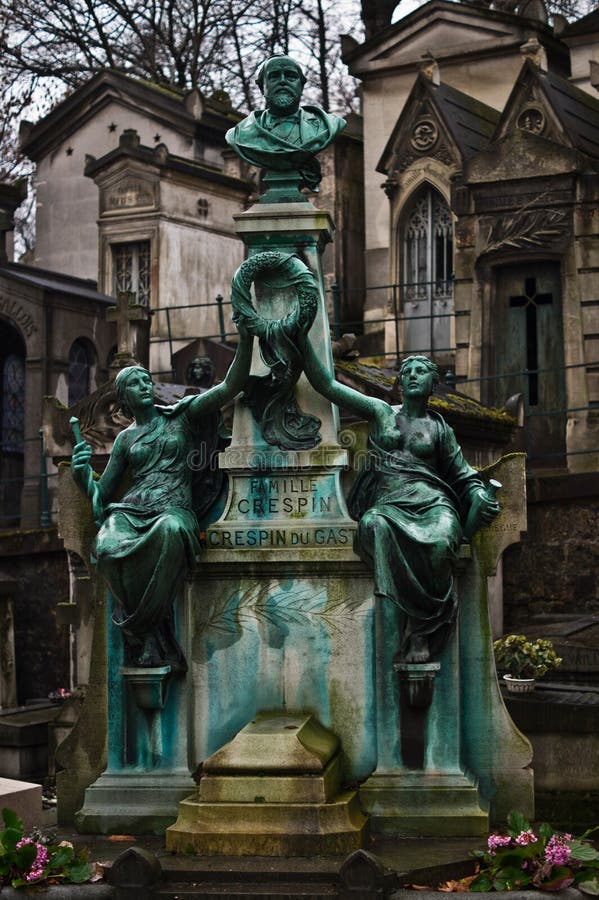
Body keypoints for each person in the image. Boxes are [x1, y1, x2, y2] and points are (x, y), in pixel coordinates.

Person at [297, 338, 500, 663]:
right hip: (388, 503)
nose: (415, 375)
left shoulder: (439, 428)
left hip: (433, 503)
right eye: (408, 371)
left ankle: (421, 628)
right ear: (400, 381)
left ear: (434, 383)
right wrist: (301, 337)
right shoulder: (381, 413)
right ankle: (398, 623)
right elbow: (326, 385)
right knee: (373, 525)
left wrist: (479, 498)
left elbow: (463, 476)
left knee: (440, 544)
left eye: (422, 371)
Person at [71, 324, 253, 671]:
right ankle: (151, 631)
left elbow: (231, 386)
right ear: (123, 400)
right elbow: (104, 493)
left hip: (175, 508)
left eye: (145, 380)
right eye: (134, 384)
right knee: (106, 548)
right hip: (132, 509)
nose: (143, 386)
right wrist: (82, 477)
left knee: (170, 532)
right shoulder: (125, 440)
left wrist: (246, 335)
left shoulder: (180, 416)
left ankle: (143, 629)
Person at [226, 55, 345, 192]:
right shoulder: (239, 135)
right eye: (274, 76)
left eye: (291, 76)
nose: (282, 81)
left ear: (301, 86)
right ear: (262, 87)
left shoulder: (327, 126)